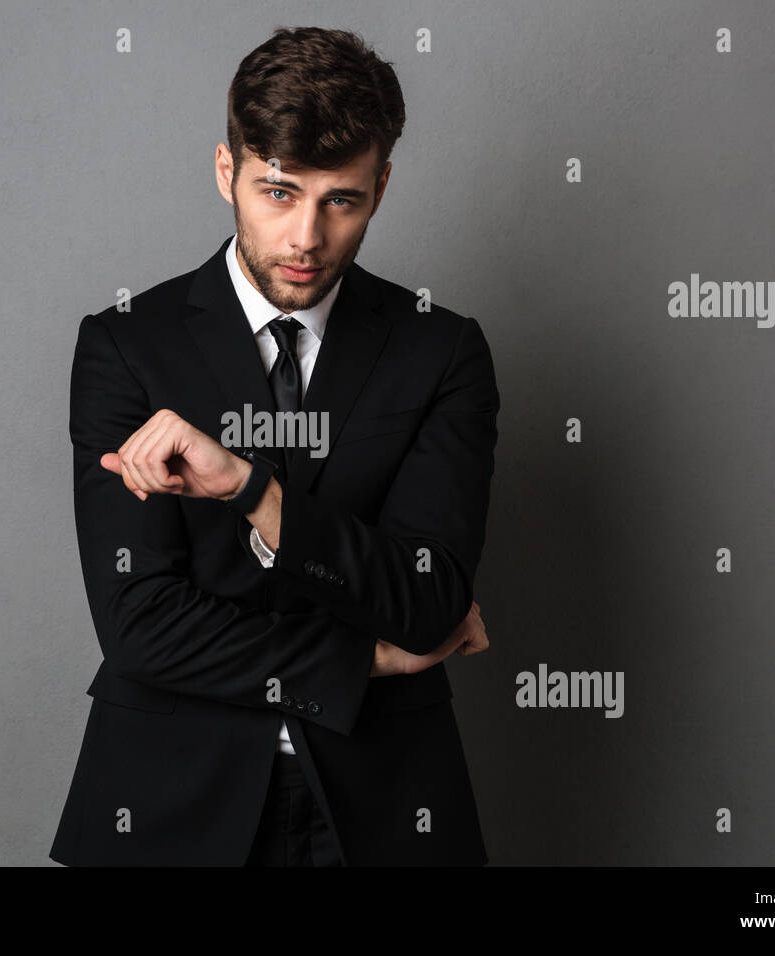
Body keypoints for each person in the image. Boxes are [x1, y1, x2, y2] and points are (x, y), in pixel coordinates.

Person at [50, 26, 500, 866]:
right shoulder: (126, 347)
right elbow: (141, 626)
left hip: (389, 809)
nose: (305, 238)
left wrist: (252, 490)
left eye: (343, 200)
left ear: (382, 187)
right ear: (227, 171)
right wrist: (370, 657)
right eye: (278, 192)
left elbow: (430, 599)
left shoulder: (441, 351)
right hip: (165, 806)